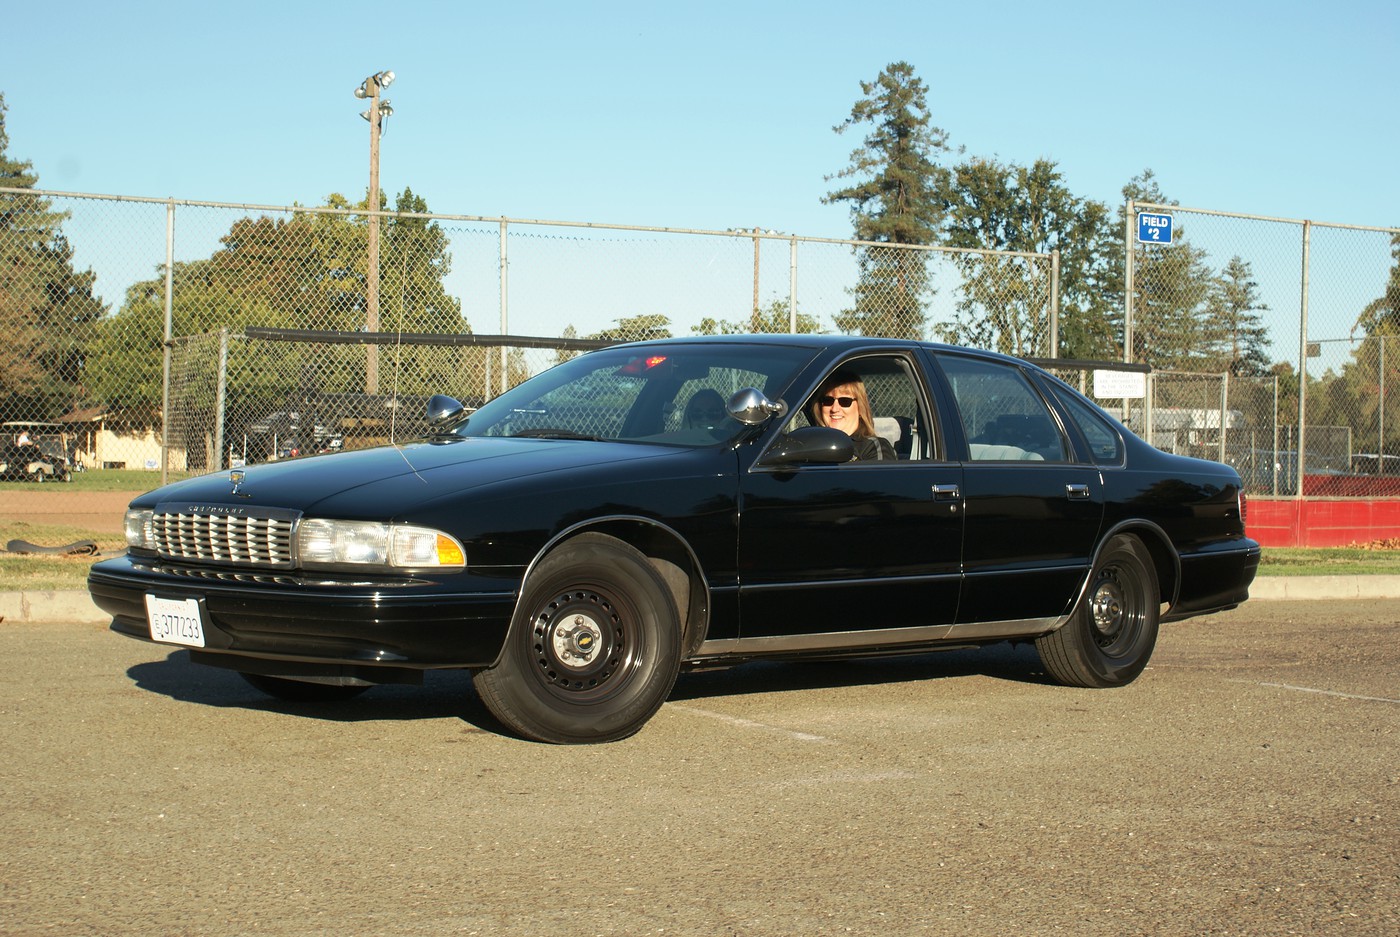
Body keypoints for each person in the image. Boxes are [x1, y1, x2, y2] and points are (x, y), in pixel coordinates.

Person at [809, 370, 895, 461]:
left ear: (860, 408)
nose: (834, 409)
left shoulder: (873, 447)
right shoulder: (811, 447)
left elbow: (879, 475)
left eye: (845, 401)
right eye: (828, 400)